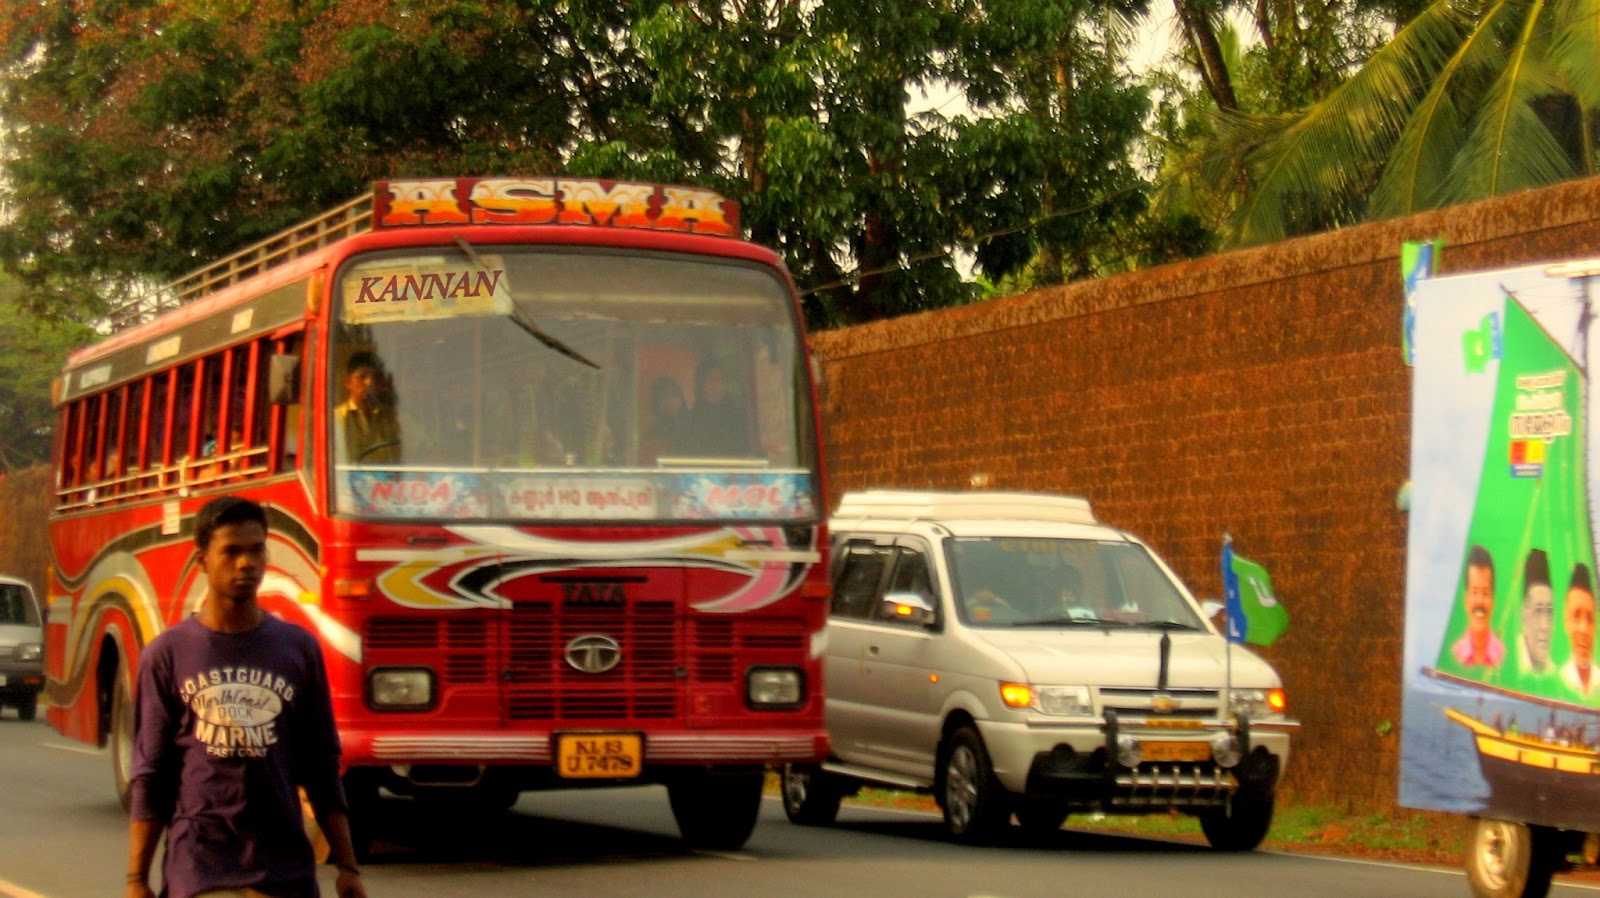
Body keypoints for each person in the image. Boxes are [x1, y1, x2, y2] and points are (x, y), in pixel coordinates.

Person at [125, 496, 367, 898]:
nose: (246, 563)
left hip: (284, 872)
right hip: (200, 871)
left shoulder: (298, 649)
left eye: (256, 550)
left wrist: (348, 866)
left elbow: (322, 765)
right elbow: (152, 772)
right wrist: (136, 879)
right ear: (202, 559)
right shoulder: (167, 655)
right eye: (231, 552)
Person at [336, 351, 400, 464]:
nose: (369, 382)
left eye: (375, 378)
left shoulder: (393, 417)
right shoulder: (336, 418)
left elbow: (425, 445)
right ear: (348, 382)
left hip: (389, 480)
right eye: (361, 377)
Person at [1452, 544, 1505, 667]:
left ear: (1493, 600)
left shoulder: (1501, 654)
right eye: (1474, 593)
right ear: (1466, 600)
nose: (1480, 601)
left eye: (1485, 593)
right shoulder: (1456, 653)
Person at [687, 359, 752, 457]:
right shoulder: (689, 419)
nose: (716, 385)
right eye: (712, 380)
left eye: (721, 380)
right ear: (700, 383)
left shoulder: (738, 416)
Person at [1562, 563, 1598, 697]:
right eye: (1576, 616)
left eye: (1590, 618)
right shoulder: (1562, 679)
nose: (1584, 629)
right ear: (1566, 621)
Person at [1519, 548, 1556, 674]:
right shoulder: (1514, 665)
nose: (1545, 626)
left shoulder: (1554, 672)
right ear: (1523, 615)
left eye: (1549, 612)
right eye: (1538, 611)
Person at [641, 376, 693, 463]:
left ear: (681, 399)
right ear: (656, 401)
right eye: (664, 395)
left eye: (674, 395)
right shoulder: (651, 436)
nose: (669, 400)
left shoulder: (693, 429)